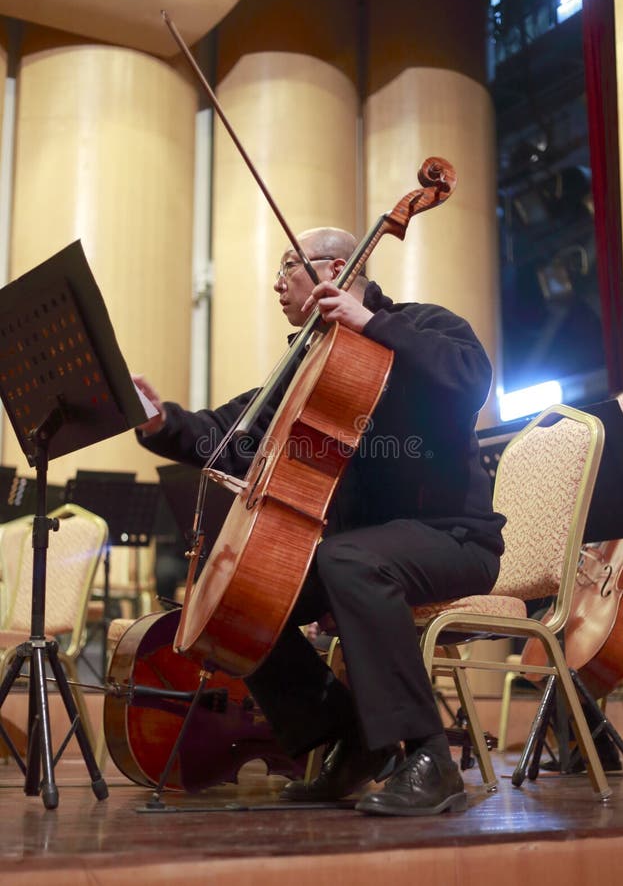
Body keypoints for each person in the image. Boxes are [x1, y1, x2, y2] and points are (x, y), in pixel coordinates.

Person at [133, 226, 506, 816]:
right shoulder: (309, 359)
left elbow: (469, 380)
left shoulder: (422, 324)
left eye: (290, 266)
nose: (277, 283)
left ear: (335, 270)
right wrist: (161, 423)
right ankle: (348, 734)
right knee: (235, 598)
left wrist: (371, 323)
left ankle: (432, 757)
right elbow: (232, 436)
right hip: (360, 552)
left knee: (345, 558)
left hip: (452, 538)